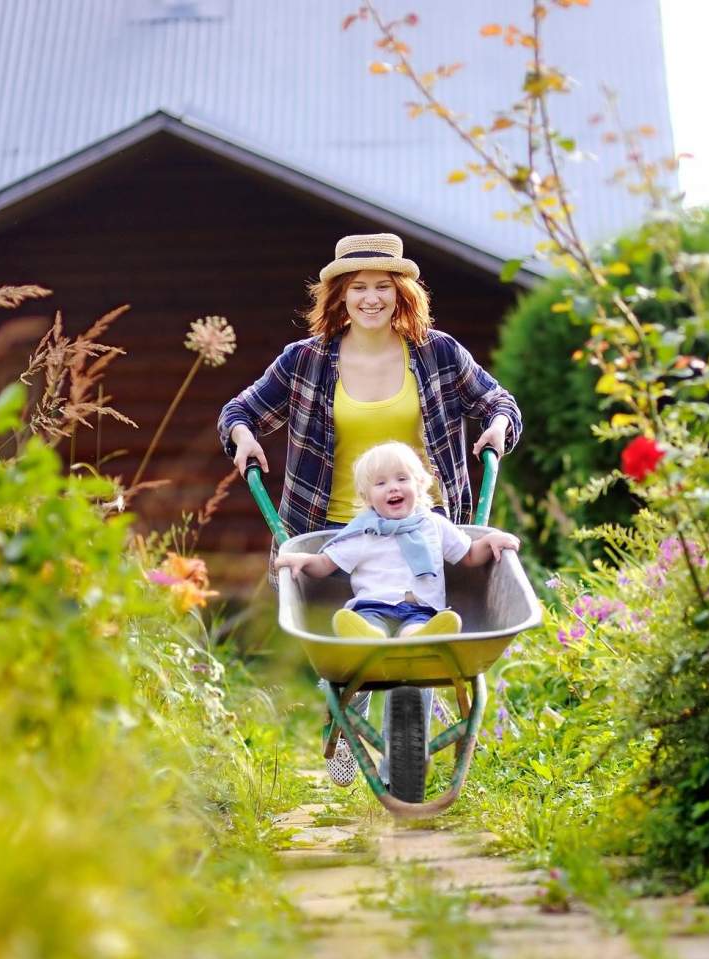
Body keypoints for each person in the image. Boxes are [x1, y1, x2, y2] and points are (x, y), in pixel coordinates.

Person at [218, 231, 522, 786]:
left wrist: (499, 425)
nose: (371, 298)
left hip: (421, 523)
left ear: (402, 292)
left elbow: (498, 401)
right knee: (351, 637)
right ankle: (348, 728)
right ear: (339, 296)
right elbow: (240, 408)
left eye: (383, 286)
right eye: (359, 287)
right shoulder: (306, 361)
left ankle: (412, 739)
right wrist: (242, 435)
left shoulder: (437, 352)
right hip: (332, 529)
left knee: (422, 630)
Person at [275, 441, 520, 640]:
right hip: (372, 606)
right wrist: (303, 559)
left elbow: (468, 555)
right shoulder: (364, 531)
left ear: (420, 484)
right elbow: (326, 563)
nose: (393, 488)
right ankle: (367, 638)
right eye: (381, 483)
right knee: (371, 626)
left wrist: (490, 541)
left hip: (422, 610)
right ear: (367, 497)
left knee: (415, 630)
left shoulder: (433, 524)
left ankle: (422, 638)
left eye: (402, 479)